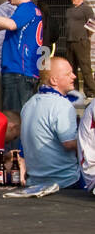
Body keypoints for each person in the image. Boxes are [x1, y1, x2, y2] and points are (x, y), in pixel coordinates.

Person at [19, 56, 81, 190]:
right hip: (64, 181)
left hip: (35, 181)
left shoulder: (29, 103)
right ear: (54, 80)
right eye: (68, 73)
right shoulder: (61, 104)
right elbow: (69, 143)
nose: (74, 76)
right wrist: (88, 140)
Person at [65, 0, 94, 98]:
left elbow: (92, 23)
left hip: (81, 42)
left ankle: (91, 90)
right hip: (70, 41)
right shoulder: (69, 9)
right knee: (71, 68)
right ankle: (74, 91)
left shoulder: (86, 8)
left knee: (85, 68)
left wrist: (85, 36)